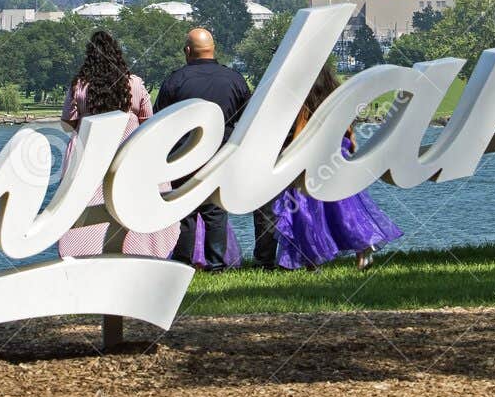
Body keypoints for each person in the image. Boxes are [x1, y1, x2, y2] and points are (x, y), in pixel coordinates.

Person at [268, 61, 403, 271]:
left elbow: (299, 137)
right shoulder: (338, 93)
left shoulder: (305, 100)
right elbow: (349, 132)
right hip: (336, 155)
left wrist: (282, 159)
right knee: (345, 207)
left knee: (304, 209)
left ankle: (313, 260)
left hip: (313, 158)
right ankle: (364, 250)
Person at [56, 30, 178, 258]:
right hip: (129, 153)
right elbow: (148, 121)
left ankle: (83, 250)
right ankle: (139, 249)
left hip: (89, 153)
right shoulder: (134, 83)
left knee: (85, 202)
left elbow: (67, 121)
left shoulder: (80, 85)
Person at [154, 26, 267, 270]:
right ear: (214, 50)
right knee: (215, 210)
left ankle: (182, 263)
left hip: (183, 155)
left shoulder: (175, 80)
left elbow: (159, 120)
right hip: (221, 154)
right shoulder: (234, 79)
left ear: (187, 51)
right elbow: (247, 119)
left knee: (184, 210)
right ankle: (216, 264)